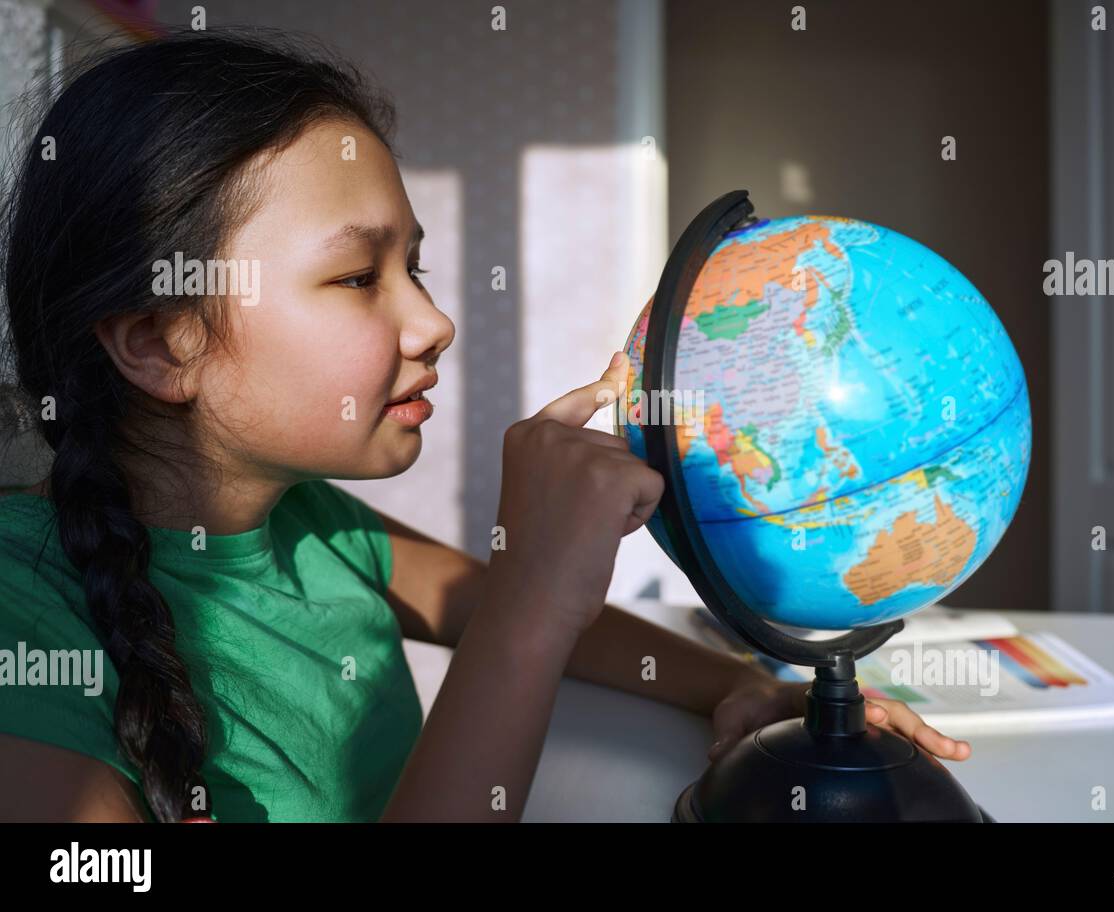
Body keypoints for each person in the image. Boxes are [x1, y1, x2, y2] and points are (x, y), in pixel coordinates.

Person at [0, 26, 969, 823]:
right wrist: (534, 595)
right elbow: (516, 613)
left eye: (411, 268)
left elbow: (524, 616)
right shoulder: (20, 625)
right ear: (161, 343)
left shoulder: (317, 528)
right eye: (355, 277)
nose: (433, 323)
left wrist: (737, 689)